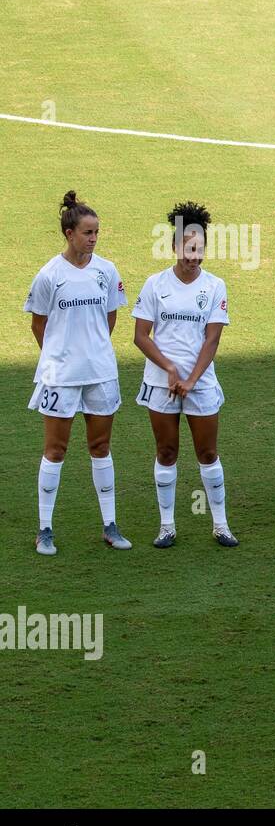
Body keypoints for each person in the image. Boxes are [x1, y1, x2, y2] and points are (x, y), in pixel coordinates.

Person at [25, 190, 131, 554]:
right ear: (69, 234)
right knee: (55, 450)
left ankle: (110, 525)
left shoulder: (106, 271)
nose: (94, 238)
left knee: (101, 447)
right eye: (88, 232)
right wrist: (60, 355)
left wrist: (92, 349)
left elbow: (111, 316)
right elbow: (39, 324)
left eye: (97, 232)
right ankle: (45, 529)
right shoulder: (49, 276)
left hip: (100, 372)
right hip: (60, 376)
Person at [132, 201, 237, 548]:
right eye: (188, 250)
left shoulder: (215, 286)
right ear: (175, 246)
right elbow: (140, 336)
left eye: (200, 250)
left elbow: (212, 338)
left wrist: (191, 379)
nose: (194, 257)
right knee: (166, 452)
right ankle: (167, 526)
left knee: (208, 454)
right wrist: (171, 369)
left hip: (201, 383)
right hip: (161, 382)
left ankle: (220, 525)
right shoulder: (154, 284)